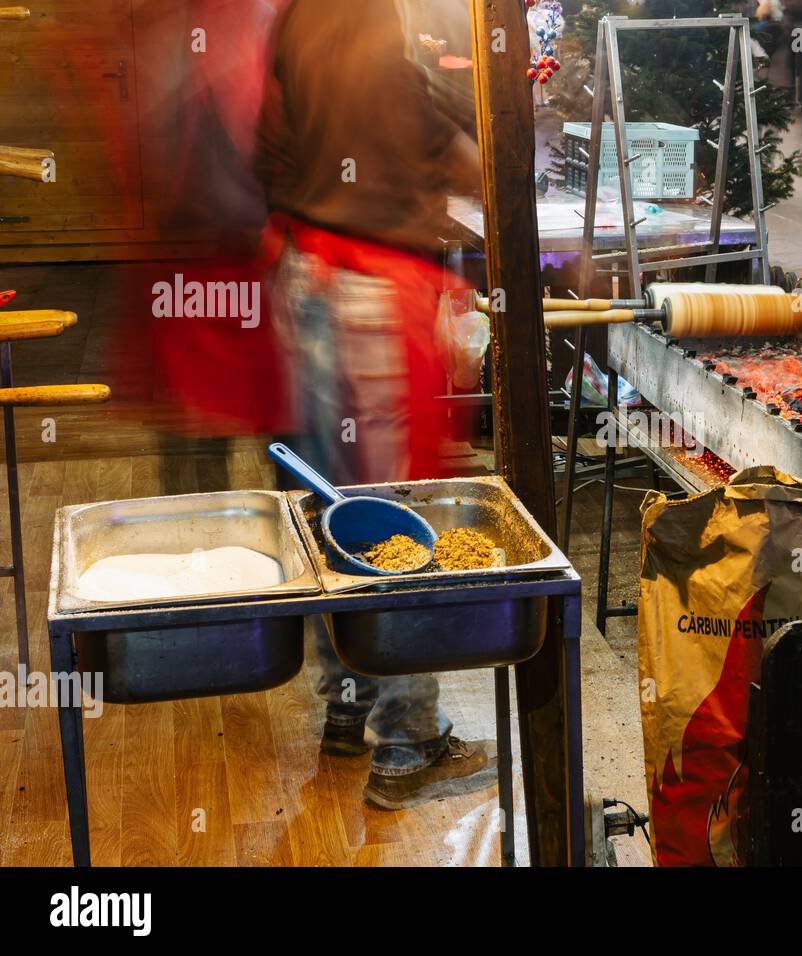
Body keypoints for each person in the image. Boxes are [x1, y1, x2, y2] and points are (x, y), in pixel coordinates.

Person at [257, 0, 490, 809]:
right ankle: (409, 740)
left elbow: (275, 144)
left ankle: (349, 706)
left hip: (308, 276)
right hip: (367, 293)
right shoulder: (357, 17)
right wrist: (473, 173)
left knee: (326, 500)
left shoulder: (296, 17)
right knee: (391, 512)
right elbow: (417, 127)